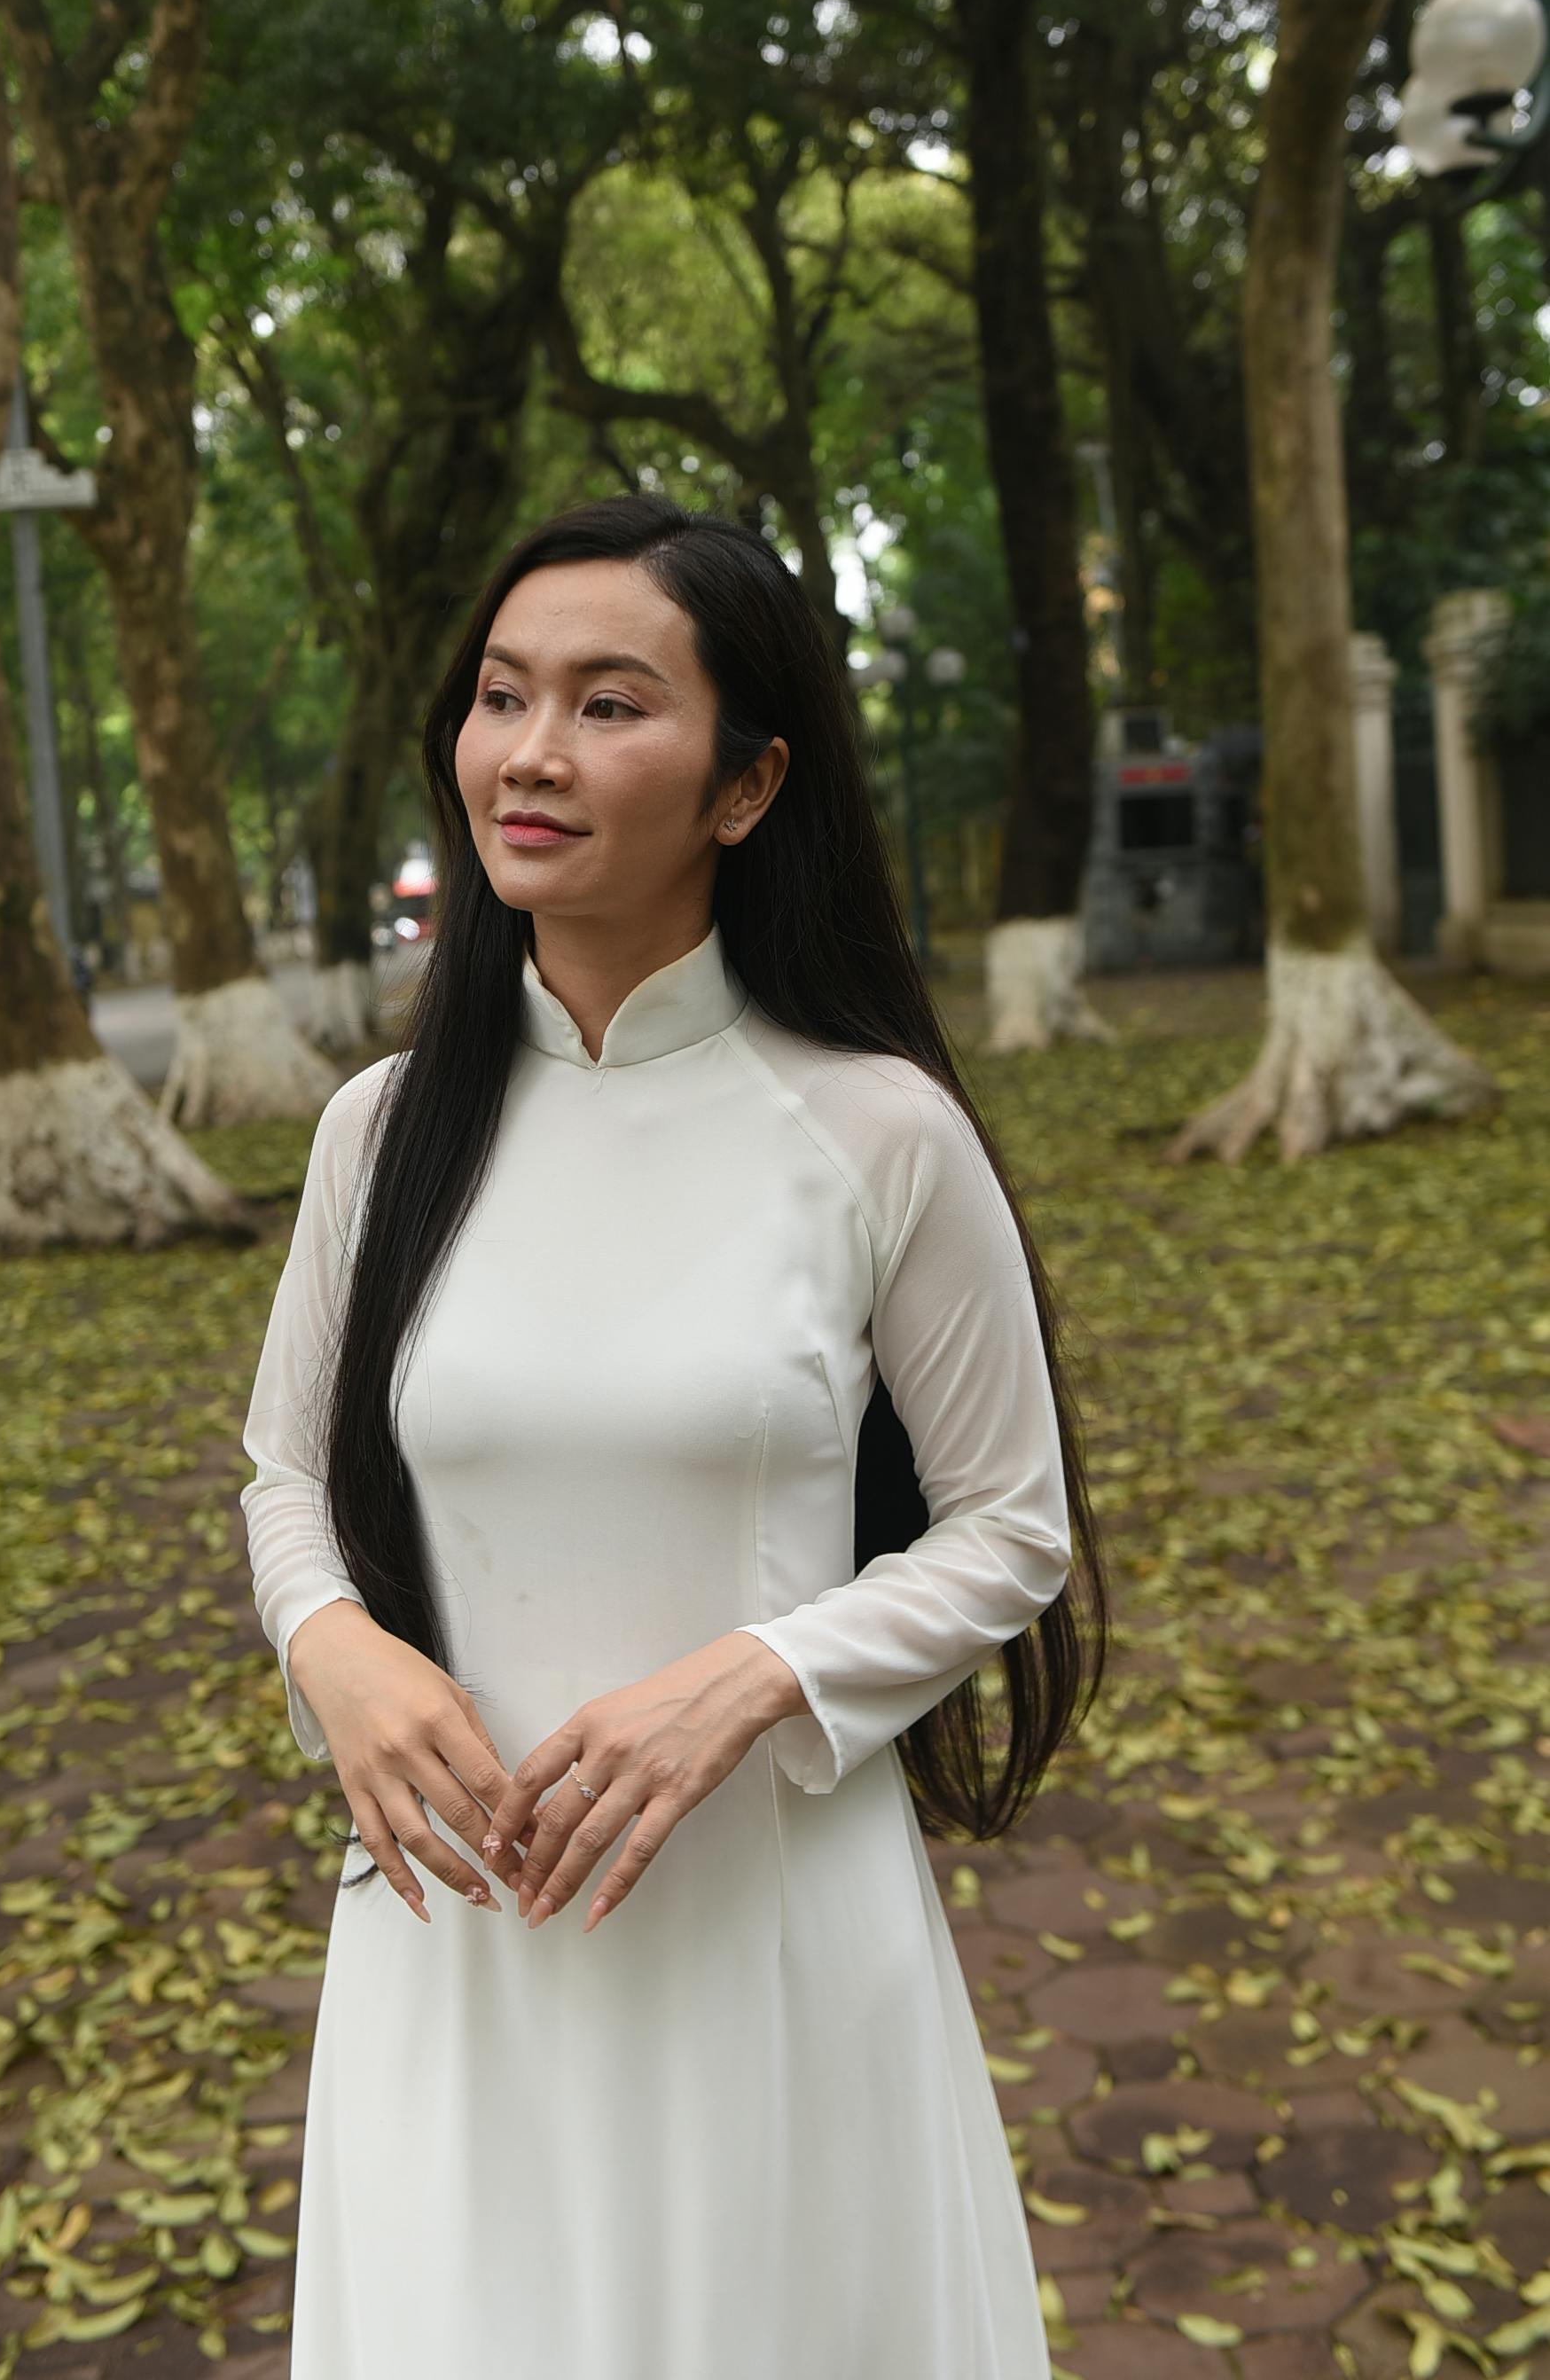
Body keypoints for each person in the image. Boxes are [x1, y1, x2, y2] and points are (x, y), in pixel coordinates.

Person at [239, 495, 1108, 2376]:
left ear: (745, 782)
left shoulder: (871, 1132)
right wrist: (339, 1652)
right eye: (500, 696)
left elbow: (1008, 1523)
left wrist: (749, 1678)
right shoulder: (380, 1133)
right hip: (454, 1946)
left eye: (609, 704)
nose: (530, 753)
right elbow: (285, 1474)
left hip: (772, 1949)